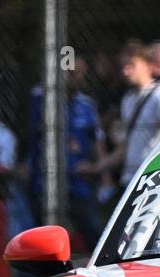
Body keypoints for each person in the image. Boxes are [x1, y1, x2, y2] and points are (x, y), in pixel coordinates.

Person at [80, 39, 160, 190]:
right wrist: (97, 167)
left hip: (155, 175)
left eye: (131, 65)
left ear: (147, 65)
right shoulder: (128, 99)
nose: (125, 71)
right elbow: (125, 147)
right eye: (123, 66)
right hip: (131, 178)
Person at [25, 57, 105, 243]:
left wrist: (100, 168)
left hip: (78, 178)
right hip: (45, 178)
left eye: (80, 74)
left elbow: (96, 139)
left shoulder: (86, 105)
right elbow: (32, 138)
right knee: (42, 230)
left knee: (91, 227)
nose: (77, 78)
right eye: (72, 73)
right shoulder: (40, 100)